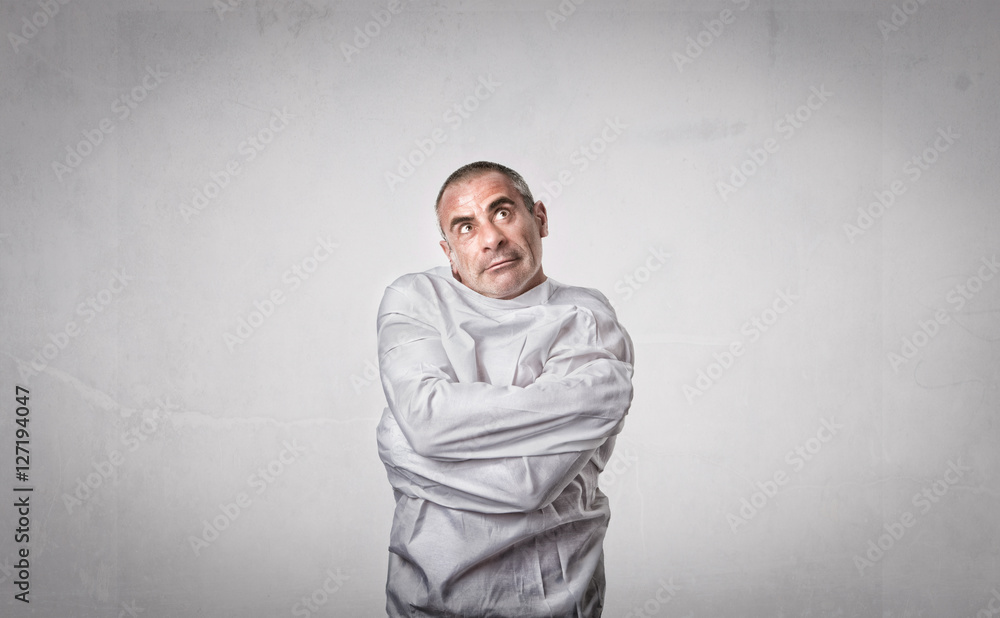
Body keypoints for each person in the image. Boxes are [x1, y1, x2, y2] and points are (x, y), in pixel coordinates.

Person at [375, 161, 635, 617]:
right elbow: (425, 423)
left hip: (555, 597)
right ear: (448, 249)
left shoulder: (586, 317)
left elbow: (527, 486)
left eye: (502, 212)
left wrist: (410, 445)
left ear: (540, 218)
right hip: (425, 597)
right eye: (466, 226)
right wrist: (420, 430)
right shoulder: (415, 299)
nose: (491, 238)